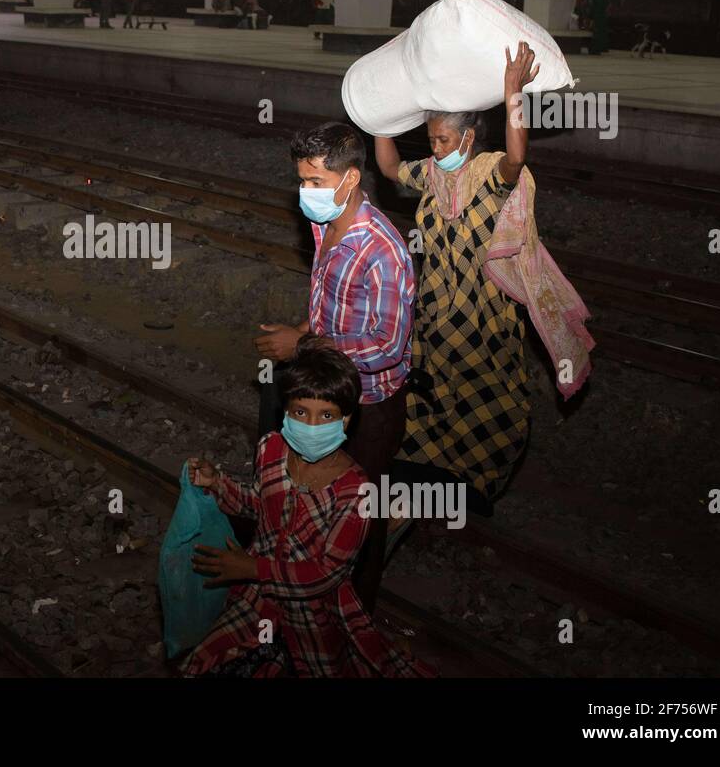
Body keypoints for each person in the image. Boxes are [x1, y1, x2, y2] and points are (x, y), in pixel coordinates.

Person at [373, 42, 593, 518]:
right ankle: (429, 477)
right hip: (435, 314)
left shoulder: (490, 174)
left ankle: (476, 483)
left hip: (484, 317)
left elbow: (516, 157)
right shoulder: (432, 176)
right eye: (431, 140)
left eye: (443, 141)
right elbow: (389, 168)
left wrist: (513, 92)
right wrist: (379, 119)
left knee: (488, 398)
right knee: (432, 394)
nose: (434, 149)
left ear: (469, 138)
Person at [181, 338, 434, 678]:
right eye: (301, 413)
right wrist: (217, 484)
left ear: (345, 420)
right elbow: (259, 503)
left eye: (326, 415)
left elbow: (325, 573)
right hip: (260, 597)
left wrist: (254, 568)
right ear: (285, 412)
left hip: (318, 612)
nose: (312, 426)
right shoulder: (271, 449)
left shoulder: (356, 491)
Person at [254, 122, 414, 611]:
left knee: (359, 514)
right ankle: (299, 589)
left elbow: (387, 344)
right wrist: (306, 330)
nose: (306, 193)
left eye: (316, 183)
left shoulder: (383, 250)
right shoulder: (325, 223)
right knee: (309, 494)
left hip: (367, 404)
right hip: (325, 388)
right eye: (301, 180)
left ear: (350, 180)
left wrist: (303, 347)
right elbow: (331, 302)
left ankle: (354, 614)